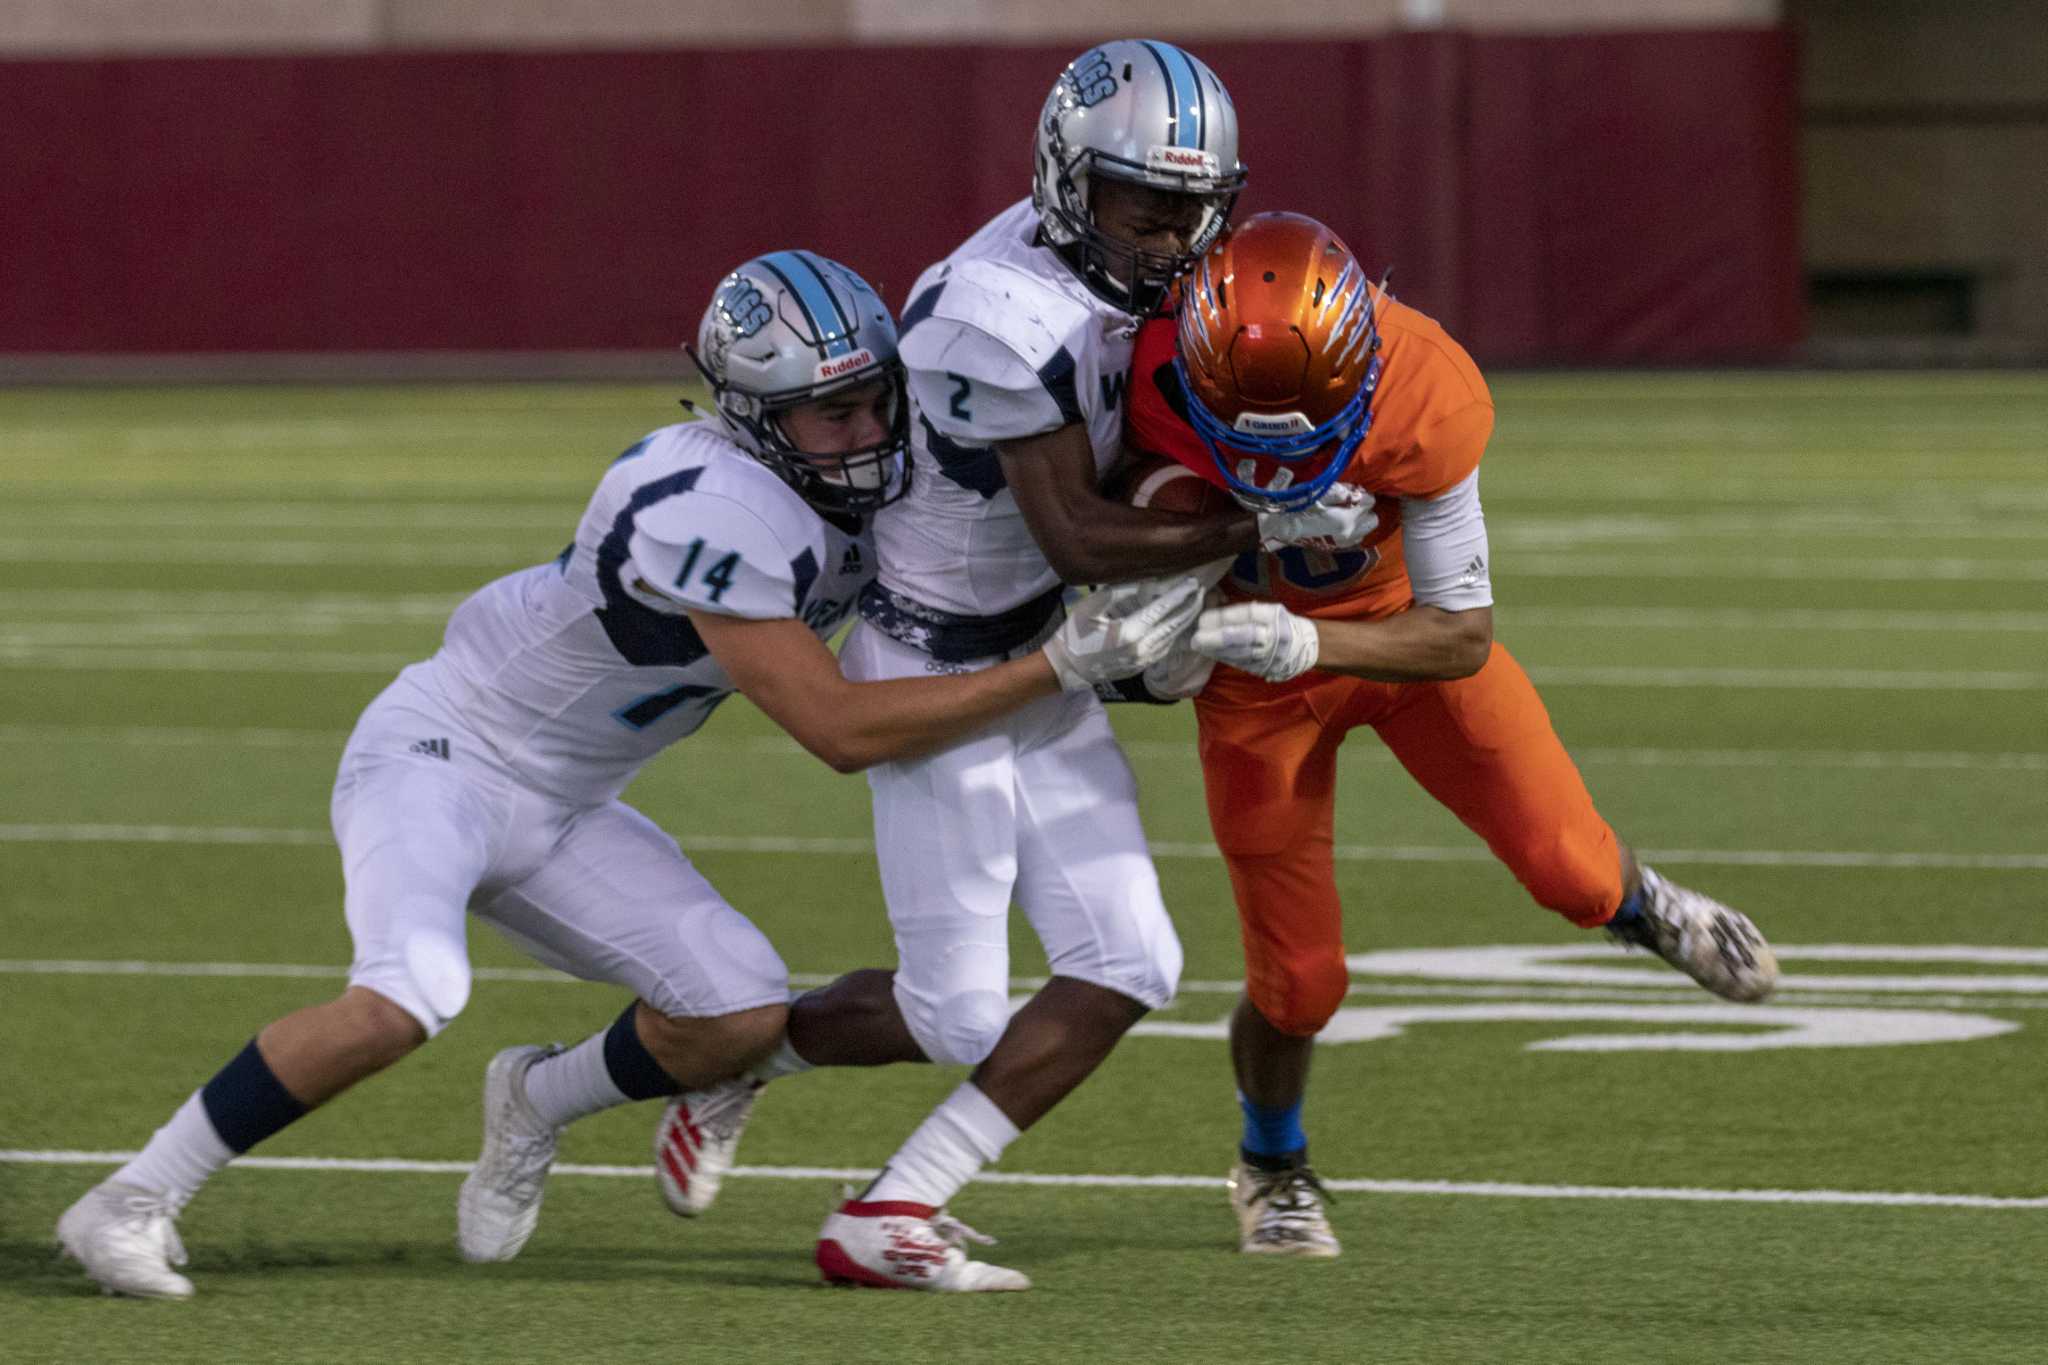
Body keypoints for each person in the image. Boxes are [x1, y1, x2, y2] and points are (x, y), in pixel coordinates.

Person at [52, 250, 1202, 1301]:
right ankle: (132, 1197)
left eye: (875, 404)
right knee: (410, 993)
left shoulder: (864, 485)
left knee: (738, 1012)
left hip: (568, 804)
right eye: (830, 414)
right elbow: (840, 730)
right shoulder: (705, 507)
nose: (864, 435)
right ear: (754, 417)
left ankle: (535, 1099)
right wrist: (1057, 665)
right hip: (444, 759)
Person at [645, 41, 1381, 1295]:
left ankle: (892, 1207)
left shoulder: (1142, 266)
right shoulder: (989, 315)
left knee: (1131, 962)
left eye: (1190, 212)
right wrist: (1264, 526)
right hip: (930, 667)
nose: (1168, 242)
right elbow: (1077, 534)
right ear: (1065, 181)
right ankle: (739, 1062)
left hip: (1045, 658)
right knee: (954, 1011)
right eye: (1140, 208)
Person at [1122, 212, 1781, 1259]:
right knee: (1298, 982)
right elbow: (1092, 530)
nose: (1276, 459)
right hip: (1250, 680)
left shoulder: (1428, 391)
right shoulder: (1143, 370)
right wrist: (1148, 618)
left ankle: (1639, 902)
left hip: (1396, 641)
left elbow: (1459, 638)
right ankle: (1271, 1163)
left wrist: (1310, 642)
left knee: (1571, 873)